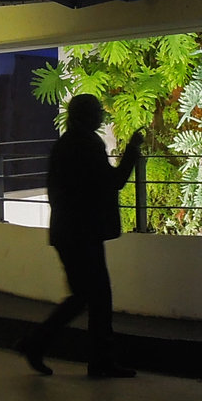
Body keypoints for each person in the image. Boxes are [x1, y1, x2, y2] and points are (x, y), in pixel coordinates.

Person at [16, 93, 144, 378]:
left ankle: (41, 344)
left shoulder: (66, 144)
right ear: (87, 115)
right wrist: (133, 151)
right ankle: (88, 358)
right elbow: (113, 182)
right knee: (96, 297)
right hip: (83, 234)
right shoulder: (87, 144)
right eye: (98, 110)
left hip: (70, 232)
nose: (102, 115)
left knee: (85, 296)